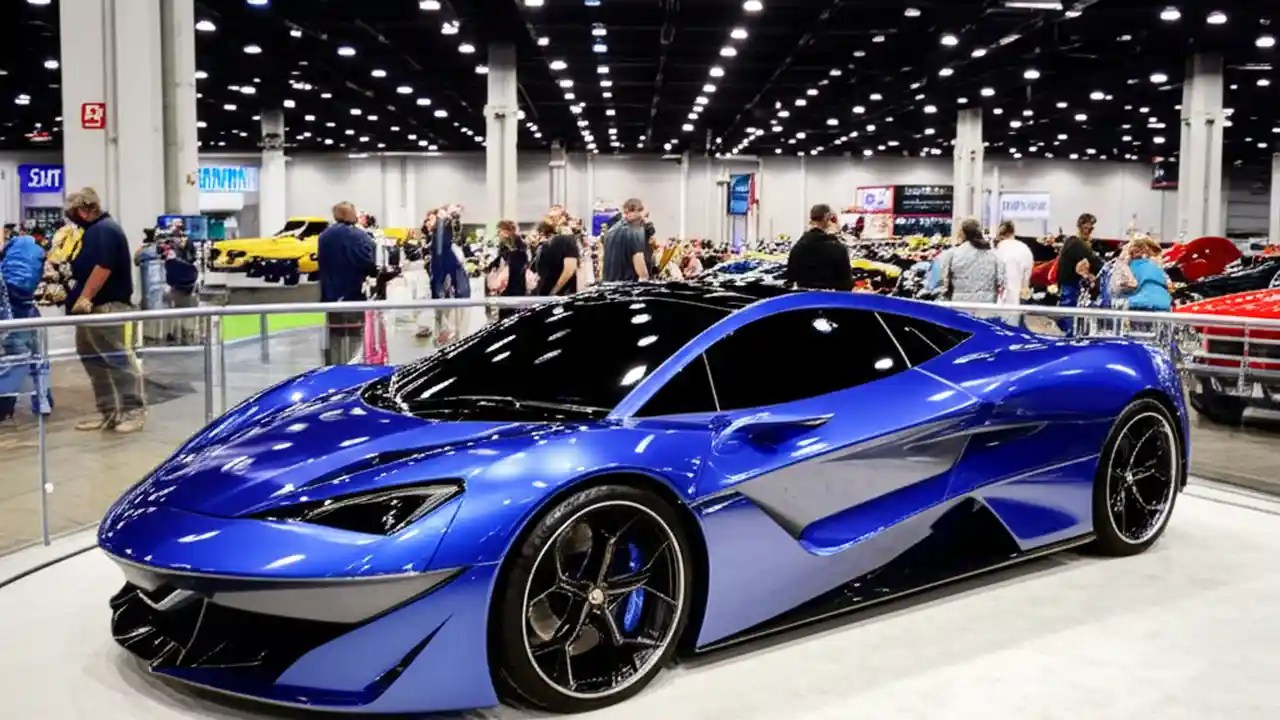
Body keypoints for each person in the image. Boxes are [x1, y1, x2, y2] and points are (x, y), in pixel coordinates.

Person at [64, 188, 146, 433]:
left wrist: (85, 297)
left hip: (107, 307)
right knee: (94, 361)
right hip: (91, 310)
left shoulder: (105, 230)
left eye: (74, 211)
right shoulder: (92, 232)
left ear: (87, 209)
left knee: (118, 360)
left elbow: (104, 266)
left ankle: (133, 412)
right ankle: (109, 413)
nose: (72, 217)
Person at [317, 201, 376, 364]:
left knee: (334, 334)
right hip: (353, 293)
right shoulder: (359, 235)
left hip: (330, 294)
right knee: (354, 336)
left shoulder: (324, 236)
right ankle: (351, 365)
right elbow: (367, 261)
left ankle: (333, 366)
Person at [937, 217, 1005, 306]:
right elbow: (1002, 281)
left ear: (962, 233)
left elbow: (943, 282)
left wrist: (943, 300)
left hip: (959, 305)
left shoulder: (951, 254)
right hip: (987, 305)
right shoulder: (994, 255)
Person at [786, 204, 854, 291]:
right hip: (830, 300)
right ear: (827, 218)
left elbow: (791, 277)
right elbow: (846, 284)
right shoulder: (838, 248)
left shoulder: (797, 247)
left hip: (805, 300)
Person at [1056, 213, 1103, 334]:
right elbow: (1095, 262)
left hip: (1073, 288)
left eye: (1091, 228)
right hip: (1070, 288)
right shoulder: (1075, 243)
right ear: (1079, 226)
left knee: (1072, 321)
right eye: (1086, 227)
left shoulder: (1077, 244)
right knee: (1069, 322)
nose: (1089, 231)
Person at [1113, 237, 1172, 312]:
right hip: (1164, 301)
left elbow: (1129, 284)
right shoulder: (1155, 265)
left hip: (1143, 300)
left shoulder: (1128, 265)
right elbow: (1169, 285)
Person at [602, 198, 650, 283]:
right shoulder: (635, 231)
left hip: (608, 287)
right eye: (645, 215)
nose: (645, 220)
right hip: (626, 289)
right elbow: (639, 264)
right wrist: (645, 277)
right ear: (637, 211)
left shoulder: (610, 232)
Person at [994, 220, 1033, 323]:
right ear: (1013, 232)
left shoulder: (996, 249)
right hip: (1015, 300)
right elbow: (1026, 279)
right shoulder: (1024, 249)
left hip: (995, 298)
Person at [491, 220, 529, 320]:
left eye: (499, 231)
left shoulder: (515, 250)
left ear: (505, 231)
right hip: (513, 288)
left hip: (512, 289)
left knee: (508, 317)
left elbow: (512, 267)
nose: (498, 234)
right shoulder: (517, 248)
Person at [535, 220, 580, 297]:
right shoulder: (568, 241)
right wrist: (554, 291)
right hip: (561, 294)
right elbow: (569, 270)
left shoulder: (543, 246)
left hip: (547, 293)